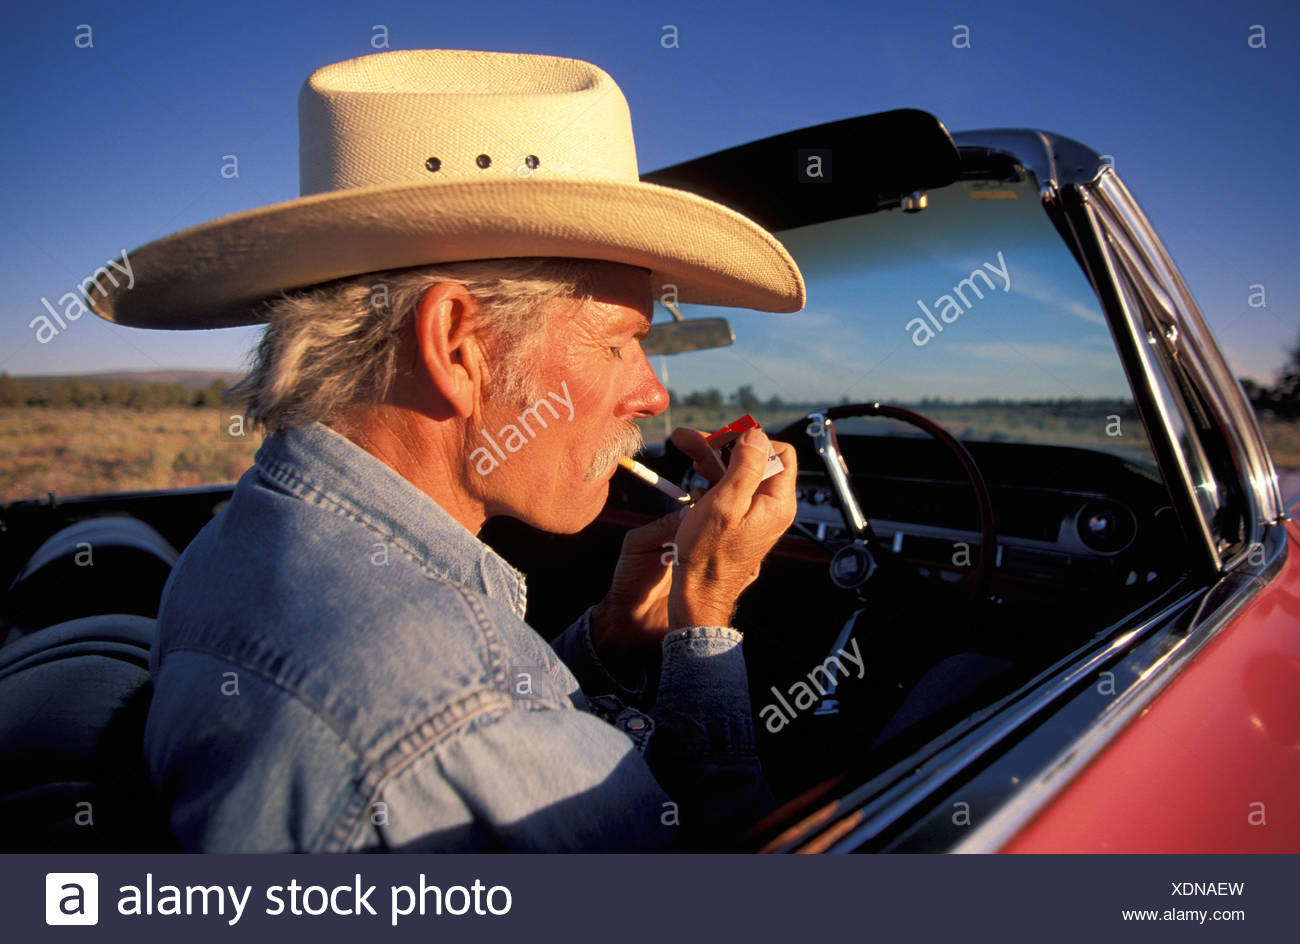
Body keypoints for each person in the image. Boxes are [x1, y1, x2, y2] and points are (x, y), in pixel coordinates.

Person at [88, 49, 805, 851]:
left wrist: (605, 637)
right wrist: (703, 615)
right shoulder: (456, 725)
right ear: (458, 344)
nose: (654, 394)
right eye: (619, 344)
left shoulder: (244, 535)